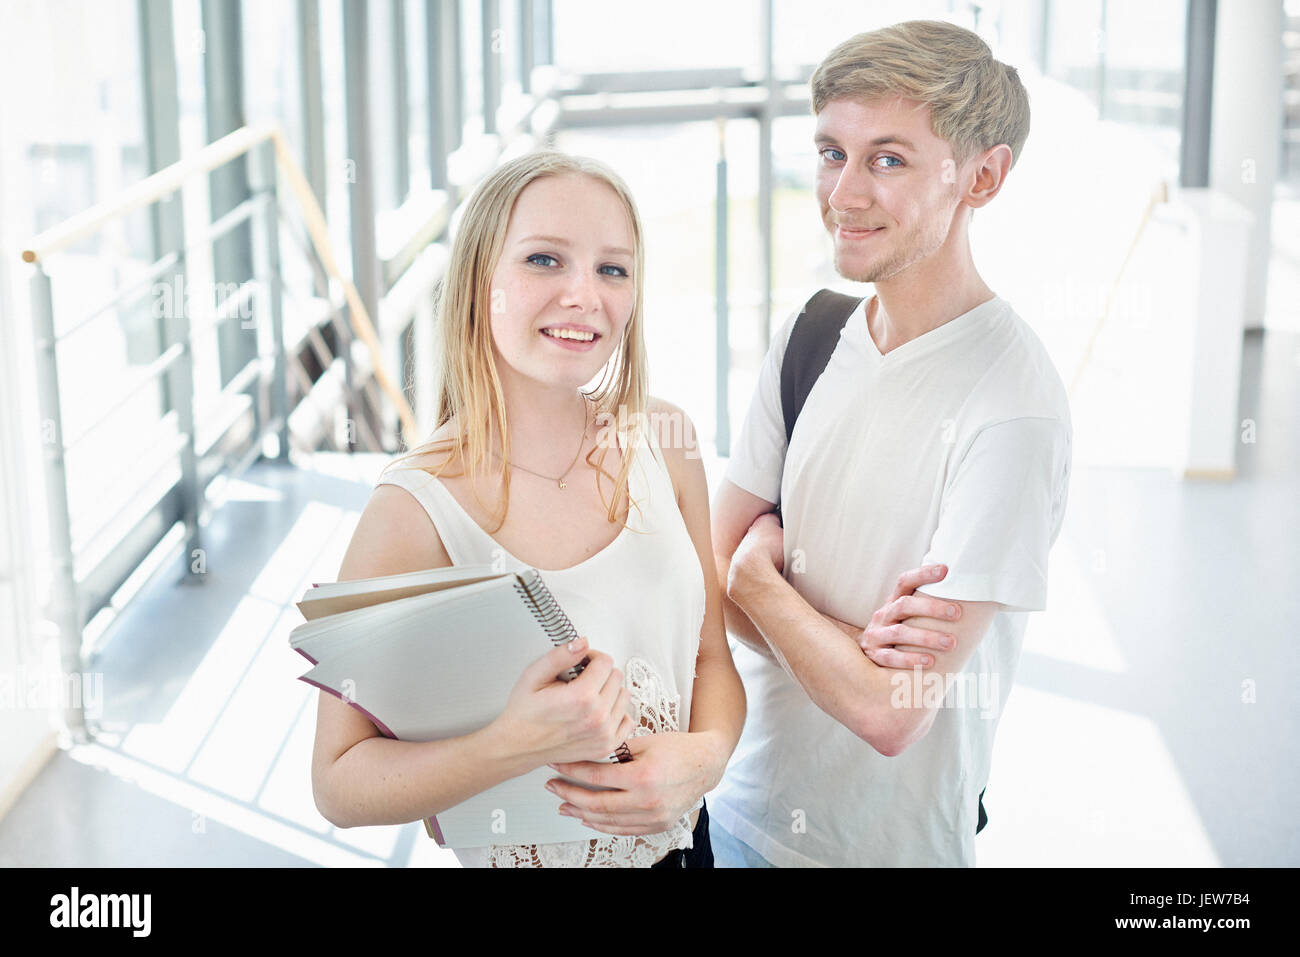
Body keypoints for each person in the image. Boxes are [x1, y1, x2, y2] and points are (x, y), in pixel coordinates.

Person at [310, 151, 746, 867]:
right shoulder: (413, 509)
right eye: (545, 260)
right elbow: (338, 781)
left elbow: (710, 659)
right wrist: (509, 744)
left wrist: (705, 759)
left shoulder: (667, 443)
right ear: (483, 282)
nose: (585, 295)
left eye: (613, 268)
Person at [709, 20, 1073, 867]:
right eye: (832, 152)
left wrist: (758, 581)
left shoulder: (1010, 407)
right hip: (737, 811)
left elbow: (890, 713)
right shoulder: (810, 335)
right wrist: (843, 654)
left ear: (982, 176)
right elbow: (704, 576)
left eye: (888, 159)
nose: (842, 194)